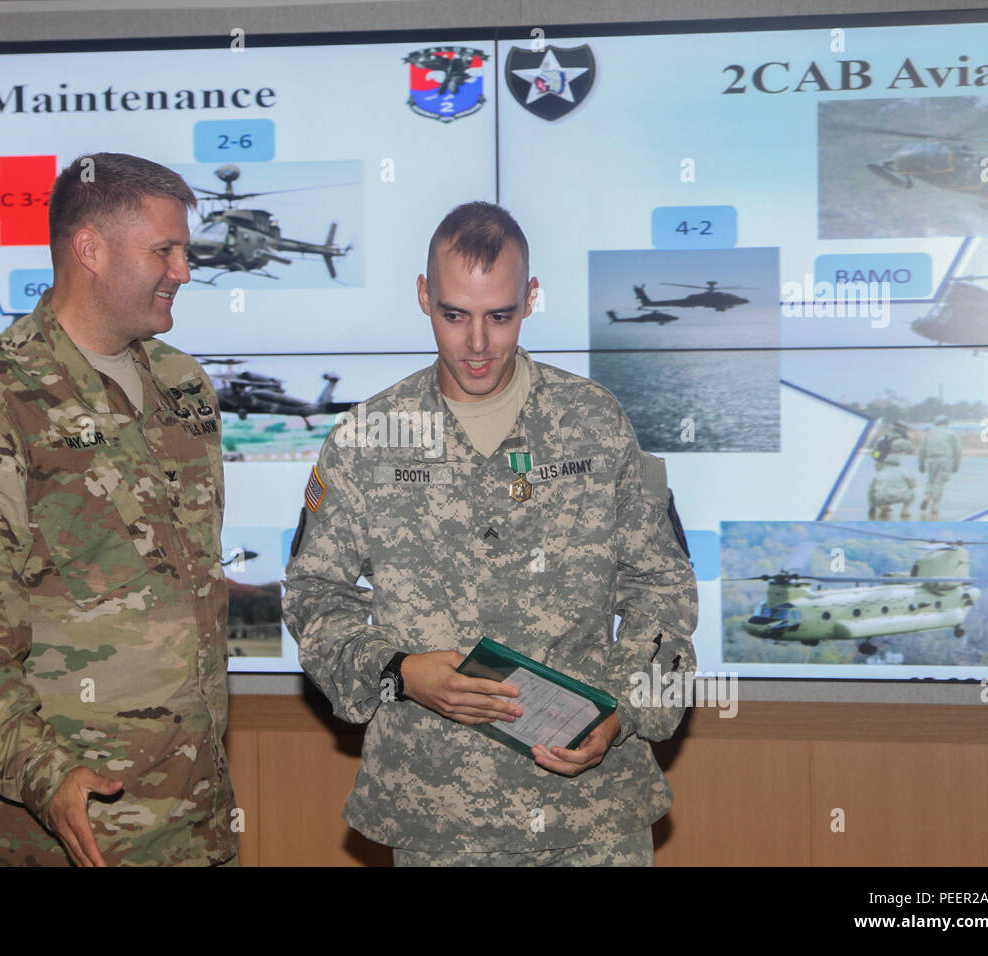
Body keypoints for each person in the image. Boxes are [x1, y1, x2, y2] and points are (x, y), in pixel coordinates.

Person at [282, 202, 698, 866]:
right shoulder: (367, 438)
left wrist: (621, 709)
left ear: (531, 299)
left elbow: (664, 593)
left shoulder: (594, 421)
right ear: (424, 296)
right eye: (454, 315)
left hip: (589, 813)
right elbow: (313, 602)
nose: (477, 344)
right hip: (438, 811)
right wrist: (398, 674)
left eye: (499, 316)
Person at [0, 152, 236, 867]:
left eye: (185, 250)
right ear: (91, 250)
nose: (184, 270)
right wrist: (49, 778)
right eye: (164, 250)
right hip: (55, 837)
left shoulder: (185, 386)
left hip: (192, 827)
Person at [919, 414, 961, 519]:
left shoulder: (929, 434)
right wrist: (956, 464)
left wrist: (921, 463)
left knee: (931, 480)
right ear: (946, 422)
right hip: (945, 460)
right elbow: (957, 450)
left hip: (931, 459)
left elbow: (922, 450)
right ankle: (935, 506)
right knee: (939, 482)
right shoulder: (952, 434)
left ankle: (926, 496)